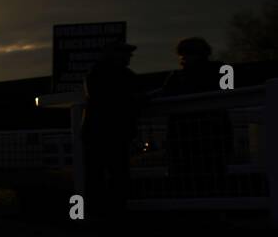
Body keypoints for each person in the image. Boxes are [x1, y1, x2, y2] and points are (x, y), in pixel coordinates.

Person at [158, 37, 230, 194]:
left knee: (198, 173)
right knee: (208, 173)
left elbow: (227, 93)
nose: (184, 58)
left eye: (188, 54)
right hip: (205, 132)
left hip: (195, 132)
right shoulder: (222, 70)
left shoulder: (179, 77)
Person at [81, 42, 142, 220]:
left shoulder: (97, 73)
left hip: (101, 132)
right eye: (125, 54)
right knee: (114, 174)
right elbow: (110, 98)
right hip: (109, 132)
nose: (129, 57)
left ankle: (100, 214)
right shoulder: (108, 74)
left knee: (99, 175)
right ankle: (111, 214)